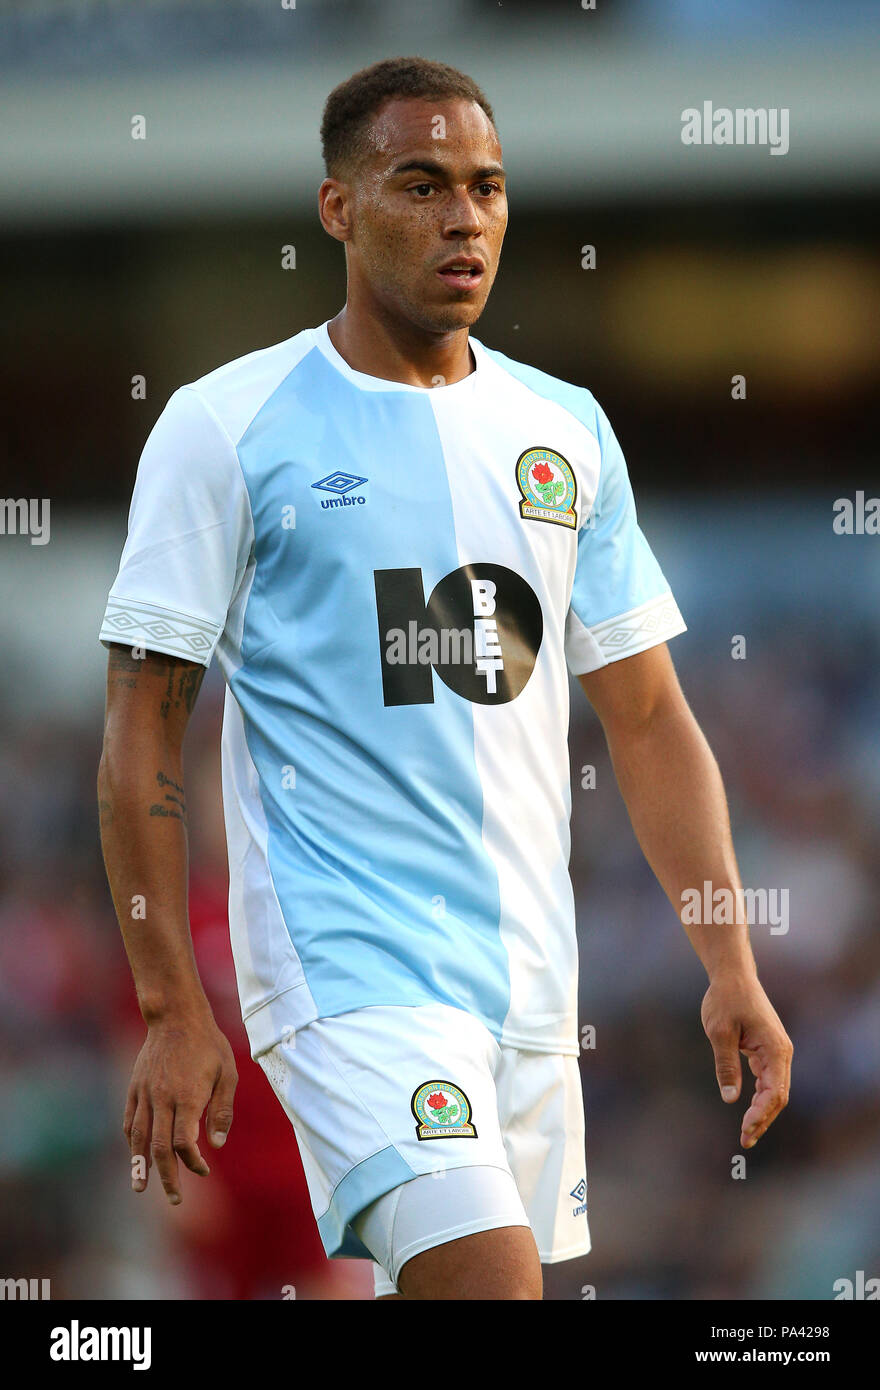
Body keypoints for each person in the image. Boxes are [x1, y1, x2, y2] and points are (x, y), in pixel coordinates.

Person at [97, 56, 792, 1301]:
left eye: (486, 188)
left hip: (527, 983)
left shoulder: (563, 430)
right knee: (489, 1283)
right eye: (420, 185)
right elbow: (141, 731)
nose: (464, 218)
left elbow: (645, 716)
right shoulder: (225, 425)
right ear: (337, 209)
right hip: (349, 972)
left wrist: (729, 960)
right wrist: (168, 1006)